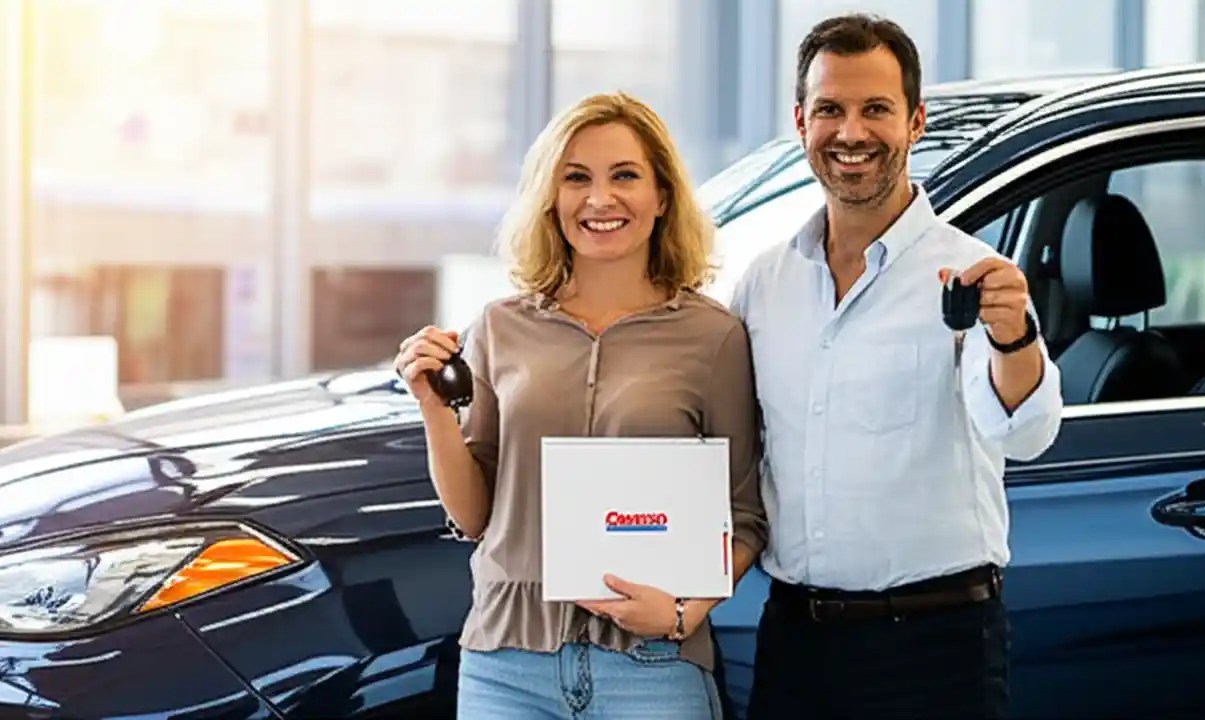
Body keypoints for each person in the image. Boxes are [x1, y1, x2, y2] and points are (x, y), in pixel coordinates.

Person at [731, 13, 1064, 720]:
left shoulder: (972, 275)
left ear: (914, 122)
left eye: (876, 109)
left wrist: (1013, 339)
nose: (852, 133)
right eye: (830, 110)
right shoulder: (763, 283)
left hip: (934, 652)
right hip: (794, 643)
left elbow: (1023, 433)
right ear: (800, 121)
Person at [394, 91, 768, 719]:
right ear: (550, 198)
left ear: (663, 196)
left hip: (652, 669)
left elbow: (745, 515)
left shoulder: (715, 337)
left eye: (624, 176)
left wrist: (685, 611)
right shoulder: (498, 327)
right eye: (576, 179)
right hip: (506, 668)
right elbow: (476, 515)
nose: (600, 199)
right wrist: (434, 410)